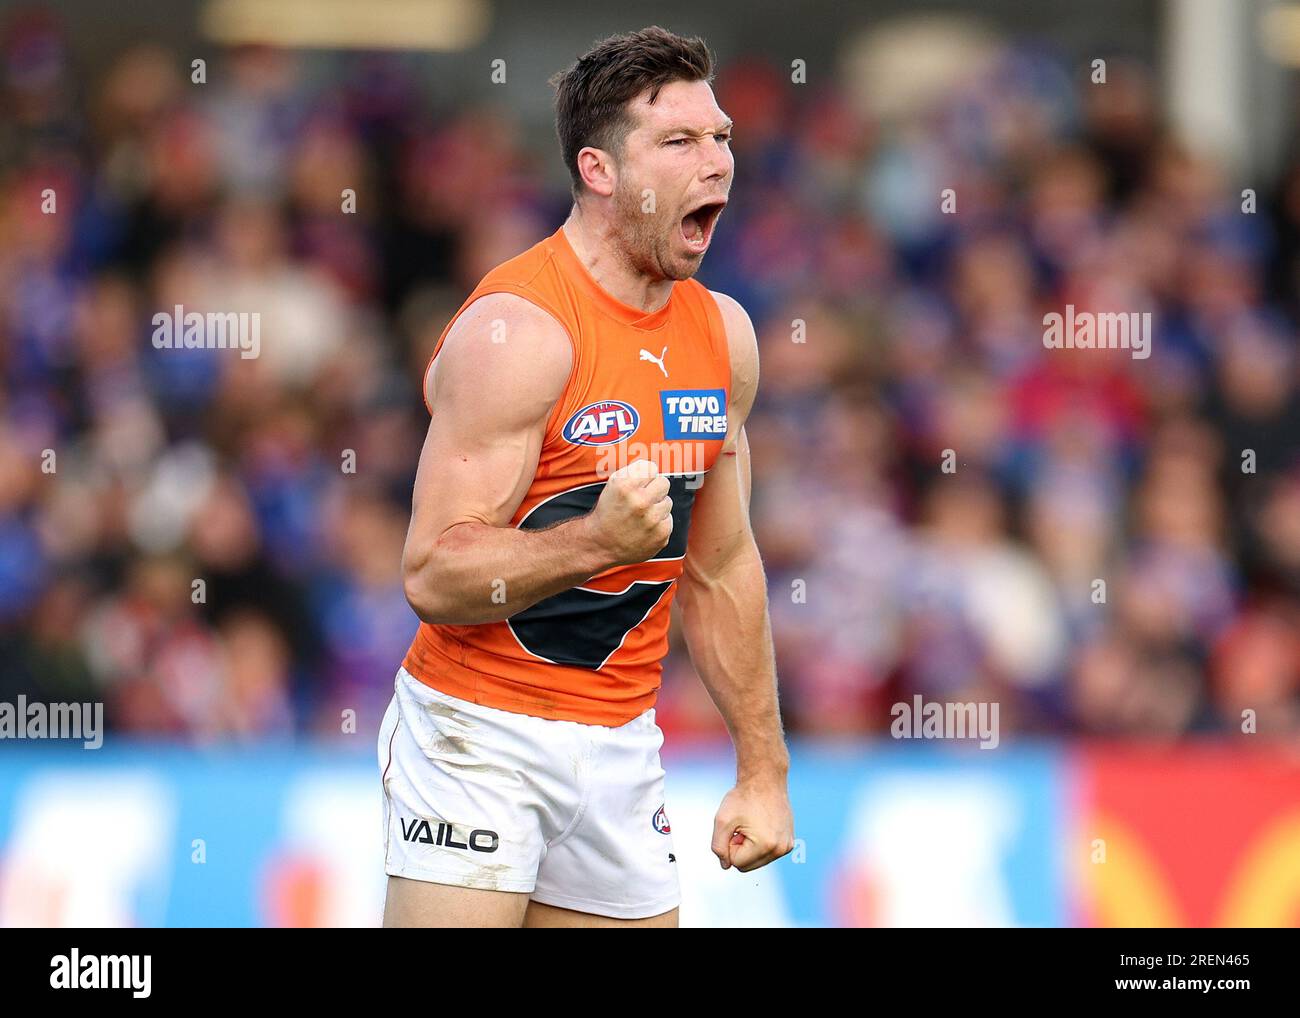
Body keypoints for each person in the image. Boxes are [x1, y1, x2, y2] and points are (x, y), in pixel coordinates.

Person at [379, 26, 793, 928]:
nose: (717, 163)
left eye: (720, 138)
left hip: (620, 742)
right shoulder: (519, 331)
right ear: (599, 170)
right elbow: (433, 574)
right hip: (476, 733)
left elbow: (721, 569)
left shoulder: (724, 337)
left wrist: (762, 773)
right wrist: (598, 541)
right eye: (679, 143)